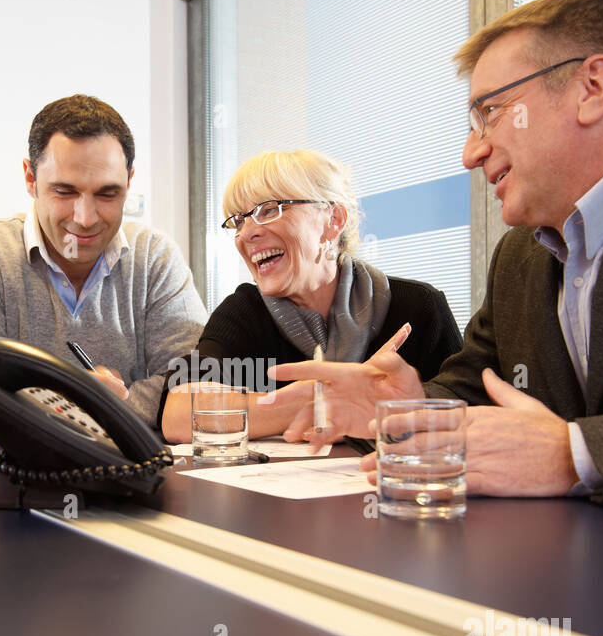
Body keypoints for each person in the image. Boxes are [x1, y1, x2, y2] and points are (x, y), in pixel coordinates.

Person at [267, 0, 603, 505]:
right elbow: (474, 386)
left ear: (592, 87)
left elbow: (561, 443)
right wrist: (409, 406)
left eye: (491, 112)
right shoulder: (520, 254)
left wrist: (577, 454)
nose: (470, 153)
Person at [160, 149, 462, 441]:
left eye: (269, 210)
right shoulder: (244, 312)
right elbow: (177, 416)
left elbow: (467, 413)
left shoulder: (419, 307)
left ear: (333, 221)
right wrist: (316, 400)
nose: (246, 233)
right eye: (239, 220)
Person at [0, 94, 206, 427]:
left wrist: (37, 407)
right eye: (64, 192)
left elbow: (189, 388)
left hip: (134, 472)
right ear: (30, 178)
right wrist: (85, 402)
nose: (84, 218)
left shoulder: (155, 258)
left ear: (130, 182)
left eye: (107, 193)